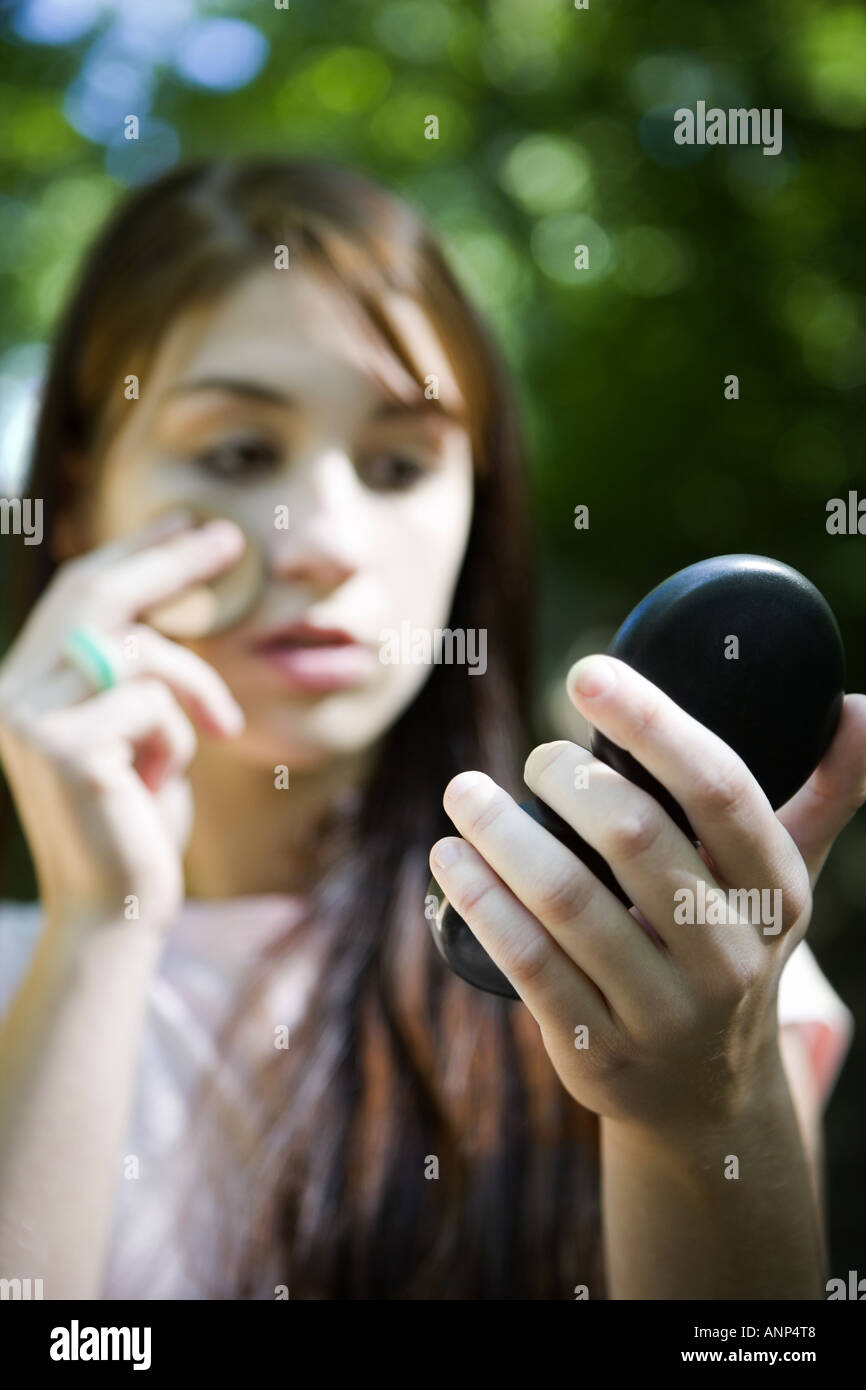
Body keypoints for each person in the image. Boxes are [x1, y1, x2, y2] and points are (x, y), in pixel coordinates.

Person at [0, 158, 861, 1301]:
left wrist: (703, 1106)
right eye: (239, 453)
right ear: (78, 493)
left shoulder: (659, 965)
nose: (325, 541)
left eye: (400, 463)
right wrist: (97, 929)